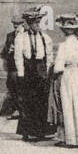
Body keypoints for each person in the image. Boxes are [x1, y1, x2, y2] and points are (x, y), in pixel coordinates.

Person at [52, 15, 78, 147]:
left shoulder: (63, 46)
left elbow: (58, 67)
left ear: (64, 31)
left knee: (67, 105)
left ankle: (69, 138)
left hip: (67, 75)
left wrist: (53, 71)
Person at [14, 7, 54, 141]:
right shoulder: (21, 37)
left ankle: (41, 131)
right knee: (28, 101)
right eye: (35, 23)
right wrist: (21, 73)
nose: (38, 26)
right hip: (28, 71)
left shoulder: (45, 37)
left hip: (41, 71)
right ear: (29, 24)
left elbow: (49, 56)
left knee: (41, 101)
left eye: (39, 23)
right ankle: (27, 131)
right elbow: (18, 56)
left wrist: (48, 72)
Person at [0, 13, 25, 118]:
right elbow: (3, 53)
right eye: (14, 24)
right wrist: (9, 50)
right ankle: (16, 110)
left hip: (24, 68)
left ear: (23, 24)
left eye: (18, 24)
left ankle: (22, 112)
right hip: (13, 68)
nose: (16, 26)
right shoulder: (10, 36)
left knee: (22, 91)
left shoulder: (27, 35)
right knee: (13, 89)